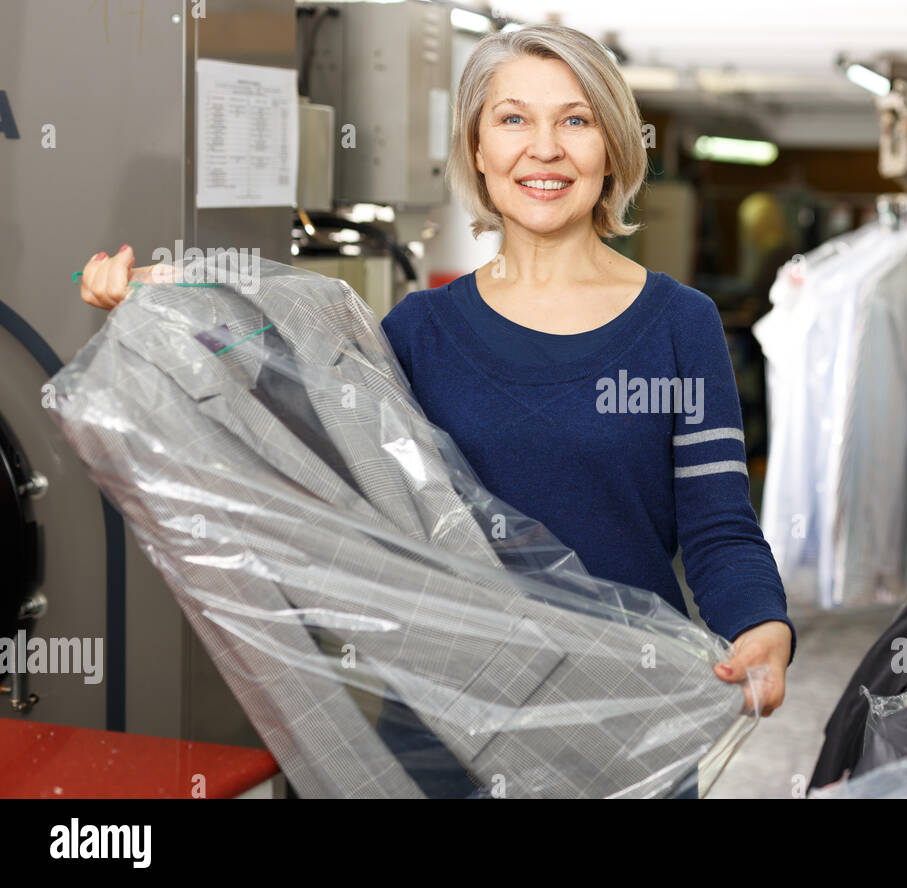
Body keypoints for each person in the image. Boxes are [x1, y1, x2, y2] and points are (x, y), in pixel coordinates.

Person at [76, 25, 792, 797]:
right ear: (478, 151)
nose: (544, 149)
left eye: (575, 120)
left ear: (614, 148)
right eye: (513, 119)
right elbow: (305, 439)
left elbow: (719, 524)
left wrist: (762, 622)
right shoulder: (418, 332)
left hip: (623, 723)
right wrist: (172, 313)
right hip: (446, 730)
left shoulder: (678, 325)